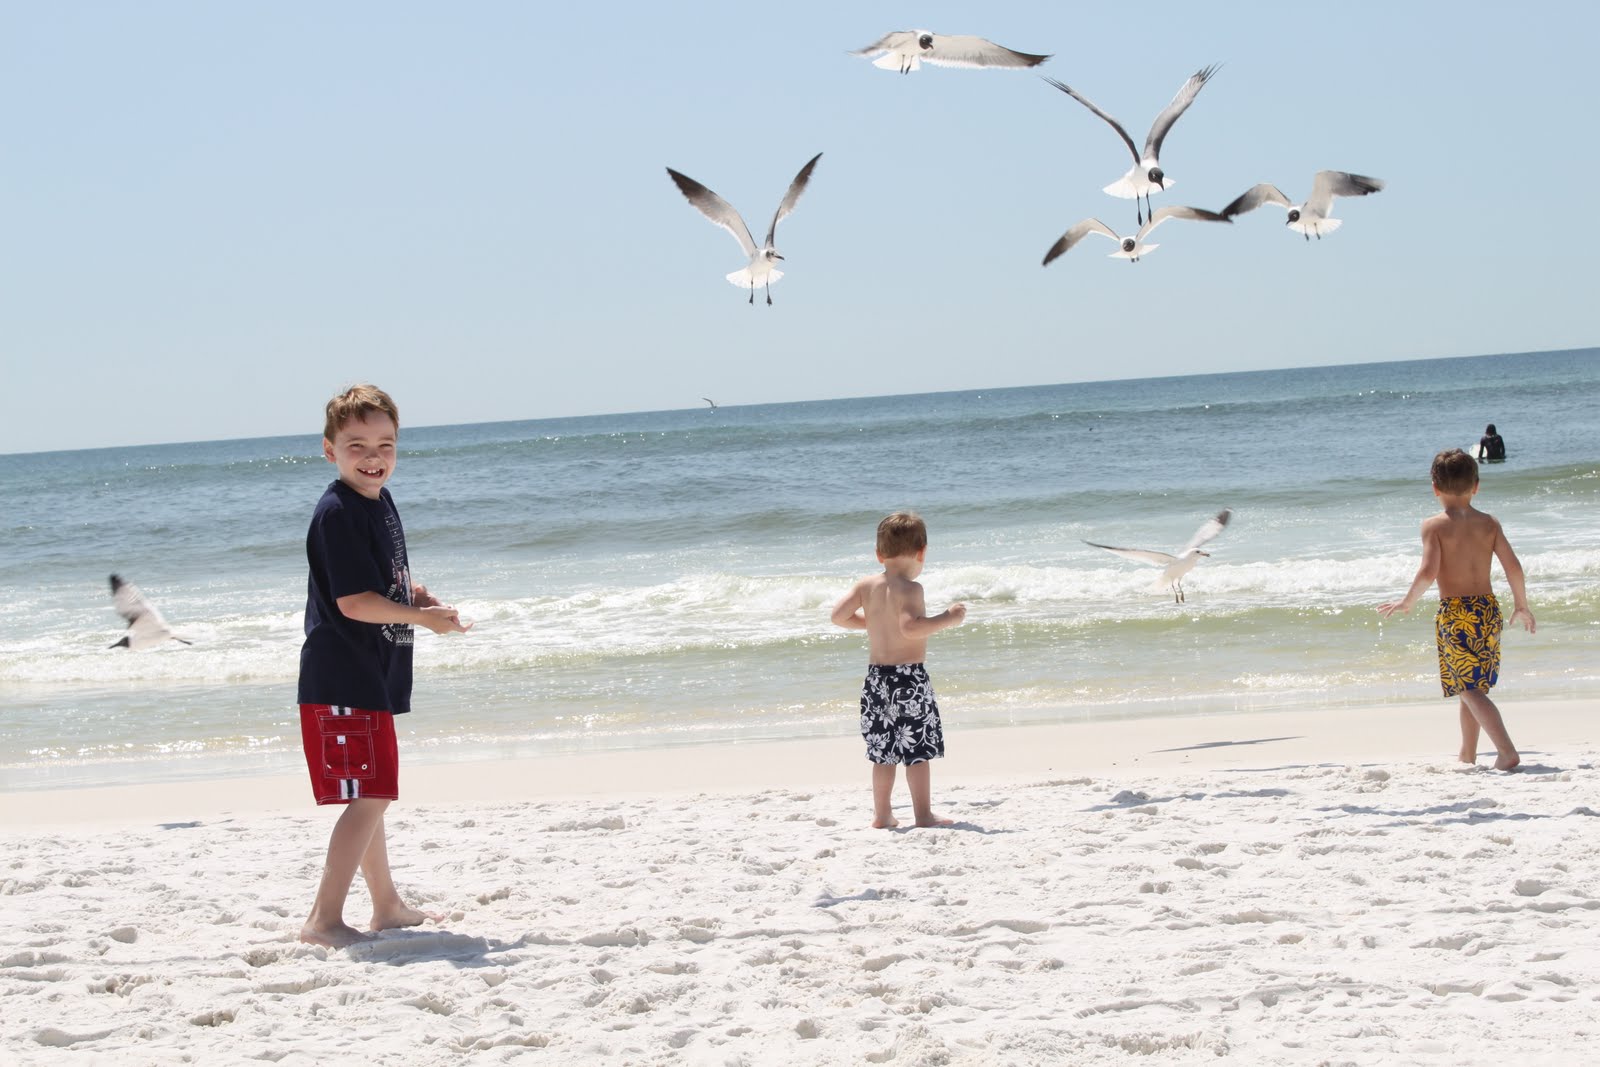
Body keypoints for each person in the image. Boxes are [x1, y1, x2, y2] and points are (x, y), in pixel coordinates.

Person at [298, 384, 472, 948]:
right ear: (330, 450)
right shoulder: (338, 513)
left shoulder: (378, 501)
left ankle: (386, 905)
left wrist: (418, 598)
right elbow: (353, 603)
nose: (373, 457)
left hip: (368, 673)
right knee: (373, 795)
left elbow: (382, 580)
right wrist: (421, 621)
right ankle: (323, 920)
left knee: (369, 793)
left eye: (385, 444)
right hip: (342, 674)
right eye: (356, 446)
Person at [1377, 449, 1535, 770]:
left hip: (1456, 614)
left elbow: (1428, 572)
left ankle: (1506, 751)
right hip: (1488, 610)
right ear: (1476, 486)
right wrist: (1521, 605)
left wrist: (1407, 601)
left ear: (1434, 488)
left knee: (1467, 687)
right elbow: (1514, 567)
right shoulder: (1489, 524)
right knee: (1473, 687)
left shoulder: (1434, 526)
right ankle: (1468, 754)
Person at [831, 512, 967, 828]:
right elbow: (910, 629)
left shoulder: (866, 585)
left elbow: (838, 616)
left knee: (883, 751)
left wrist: (872, 622)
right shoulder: (911, 588)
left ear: (879, 554)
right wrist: (949, 618)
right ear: (922, 552)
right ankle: (923, 815)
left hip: (876, 681)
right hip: (909, 680)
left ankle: (882, 815)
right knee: (917, 751)